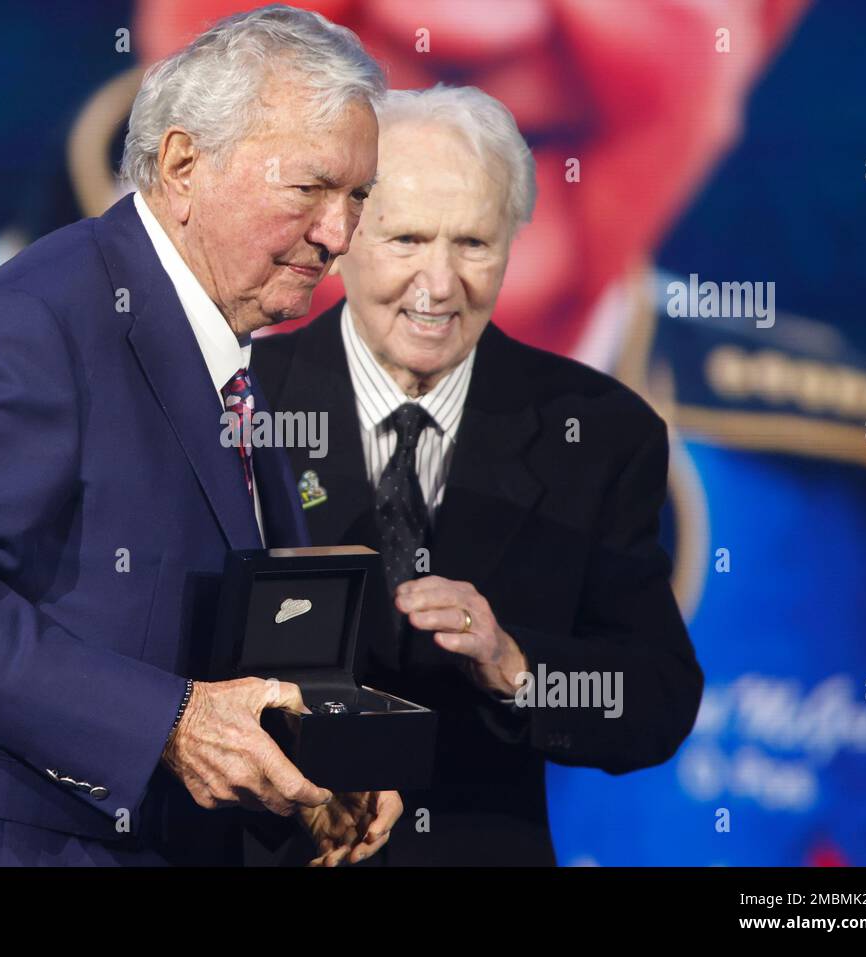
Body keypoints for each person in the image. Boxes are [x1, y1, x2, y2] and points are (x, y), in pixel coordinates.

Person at [0, 4, 401, 867]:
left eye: (357, 196)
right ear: (182, 163)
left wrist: (303, 774)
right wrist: (168, 723)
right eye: (310, 188)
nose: (339, 234)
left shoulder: (229, 342)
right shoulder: (36, 319)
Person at [252, 85, 704, 865]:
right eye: (408, 240)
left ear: (514, 242)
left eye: (473, 244)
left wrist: (515, 665)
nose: (437, 284)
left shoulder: (598, 432)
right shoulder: (240, 400)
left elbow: (654, 699)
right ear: (348, 231)